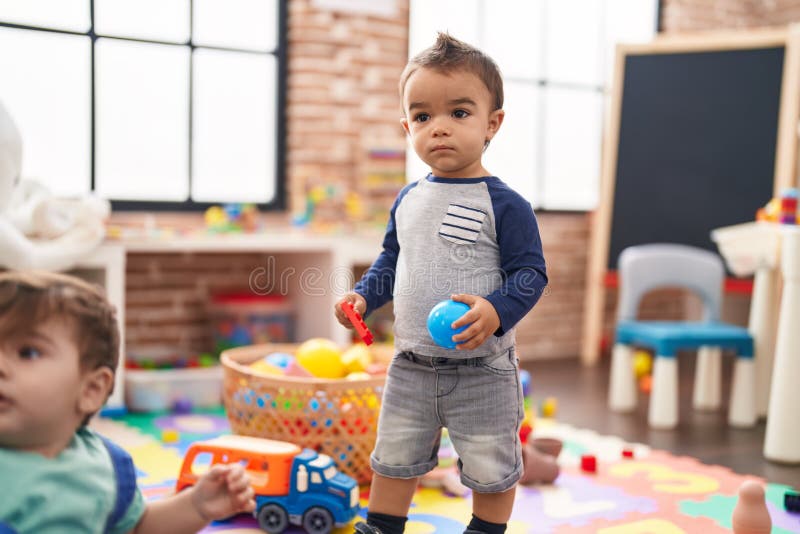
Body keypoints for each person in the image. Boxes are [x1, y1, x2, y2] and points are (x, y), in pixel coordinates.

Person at [334, 33, 548, 534]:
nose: (440, 129)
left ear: (492, 123)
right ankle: (381, 526)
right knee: (392, 456)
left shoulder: (506, 204)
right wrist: (364, 295)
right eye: (424, 116)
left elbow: (530, 274)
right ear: (407, 126)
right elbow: (391, 259)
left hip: (484, 369)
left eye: (460, 112)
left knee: (491, 465)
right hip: (410, 365)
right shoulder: (408, 198)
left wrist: (495, 311)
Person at [0, 271, 256, 533]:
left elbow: (139, 526)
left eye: (27, 353)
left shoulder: (104, 466)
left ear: (91, 390)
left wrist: (196, 506)